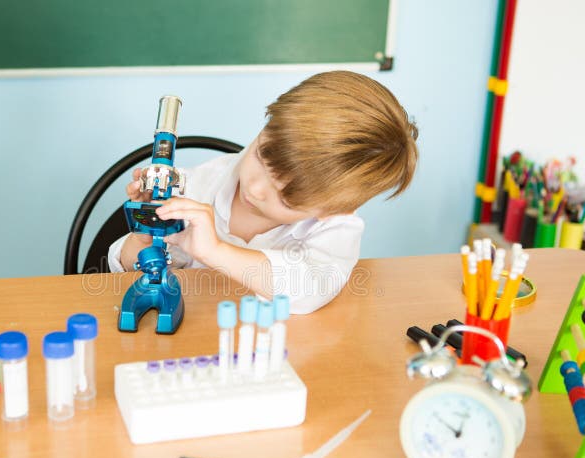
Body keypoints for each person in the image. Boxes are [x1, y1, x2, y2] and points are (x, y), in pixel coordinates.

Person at [108, 70, 418, 314]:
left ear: (331, 210)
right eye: (262, 155)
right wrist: (145, 236)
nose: (255, 188)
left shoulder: (337, 227)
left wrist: (214, 251)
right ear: (268, 122)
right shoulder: (200, 184)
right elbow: (134, 266)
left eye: (285, 197)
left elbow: (311, 288)